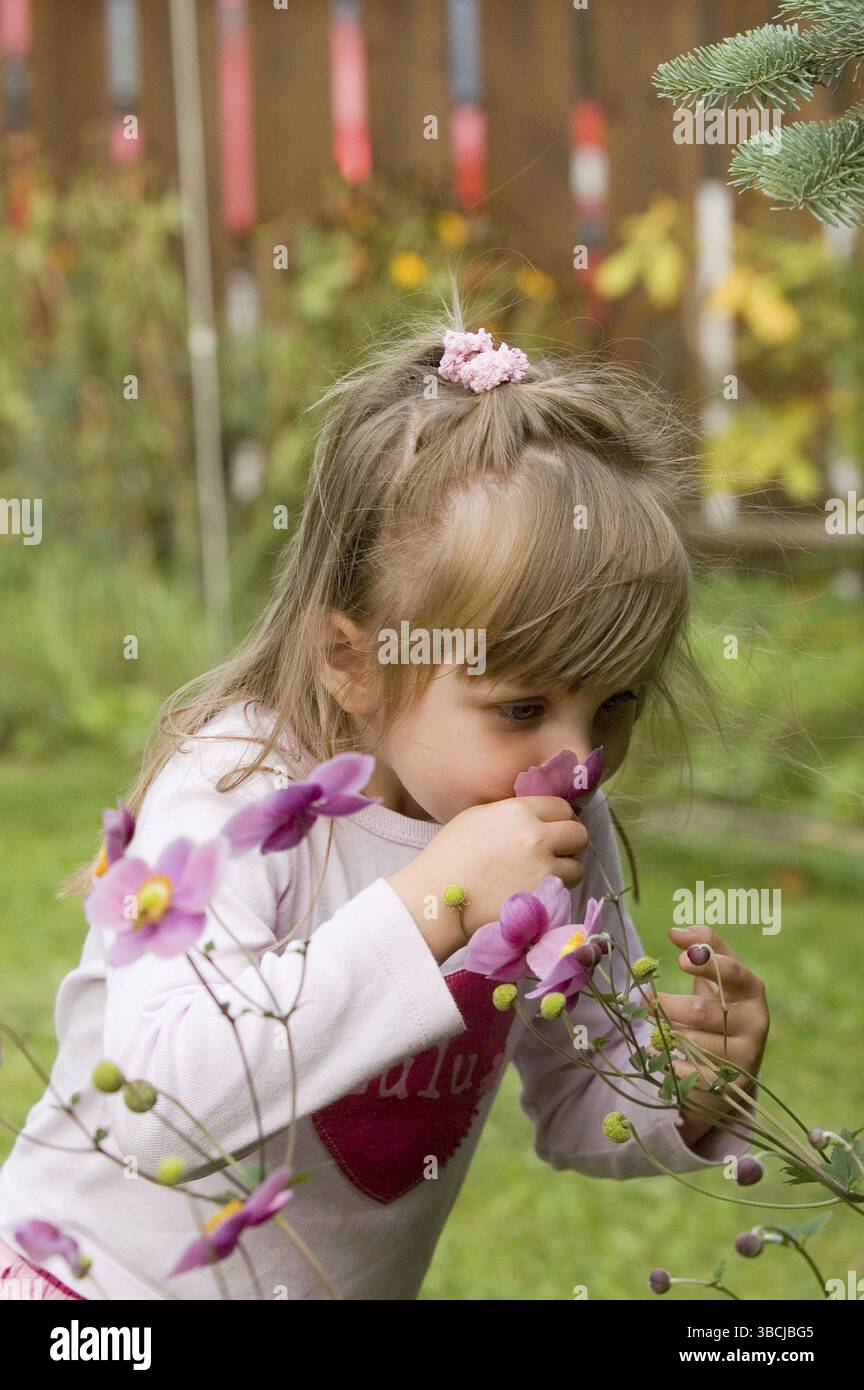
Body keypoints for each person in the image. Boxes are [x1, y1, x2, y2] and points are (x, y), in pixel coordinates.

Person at [0, 305, 769, 1300]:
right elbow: (156, 1095)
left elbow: (584, 1099)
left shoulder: (566, 830)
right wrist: (433, 903)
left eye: (614, 702)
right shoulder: (238, 788)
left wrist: (692, 1084)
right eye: (521, 706)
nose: (577, 758)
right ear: (354, 663)